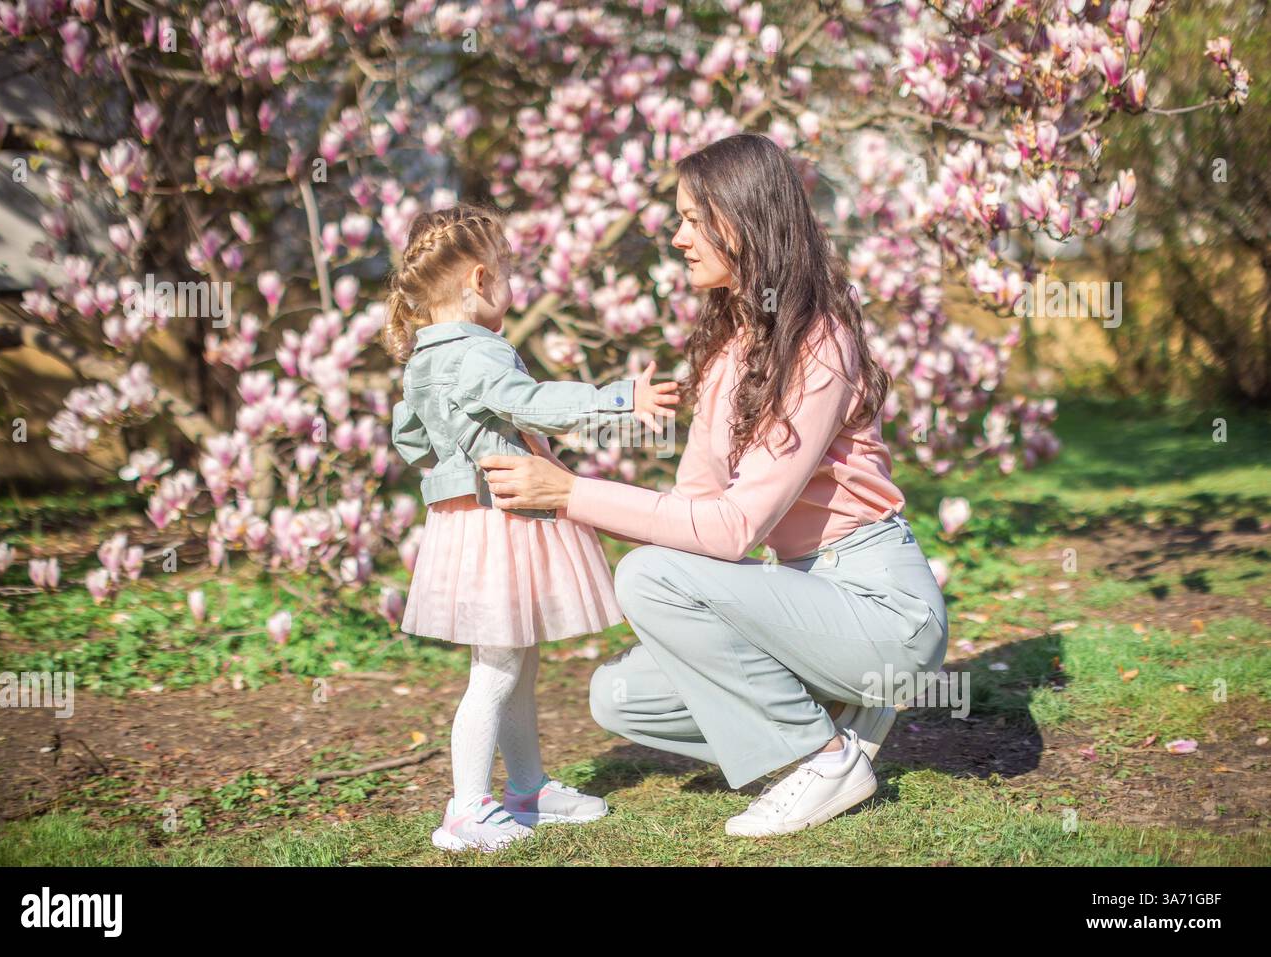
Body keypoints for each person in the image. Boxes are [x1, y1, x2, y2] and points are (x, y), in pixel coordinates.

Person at [477, 134, 949, 837]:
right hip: (802, 600)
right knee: (619, 695)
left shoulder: (819, 343)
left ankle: (822, 758)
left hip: (883, 612)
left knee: (647, 576)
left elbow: (733, 531)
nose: (678, 237)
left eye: (695, 219)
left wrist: (571, 492)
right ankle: (830, 714)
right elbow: (696, 511)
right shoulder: (732, 353)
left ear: (746, 220)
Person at [382, 204, 679, 851]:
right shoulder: (475, 351)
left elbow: (410, 439)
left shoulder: (422, 358)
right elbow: (531, 403)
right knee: (495, 670)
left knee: (515, 661)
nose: (514, 284)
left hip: (467, 521)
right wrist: (619, 398)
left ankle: (526, 788)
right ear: (480, 279)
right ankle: (466, 807)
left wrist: (451, 459)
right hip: (500, 518)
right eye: (509, 271)